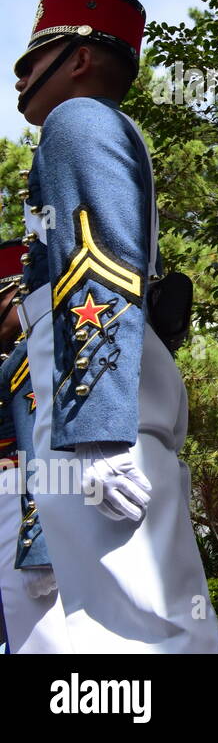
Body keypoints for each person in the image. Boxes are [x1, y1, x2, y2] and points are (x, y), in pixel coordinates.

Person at [11, 0, 218, 651]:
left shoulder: (75, 120)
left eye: (33, 53)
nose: (17, 70)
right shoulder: (79, 124)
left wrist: (99, 430)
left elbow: (97, 261)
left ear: (76, 61)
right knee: (116, 631)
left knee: (145, 627)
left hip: (95, 403)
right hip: (88, 389)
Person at [0, 240, 70, 652]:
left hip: (19, 507)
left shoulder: (30, 359)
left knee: (41, 640)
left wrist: (38, 540)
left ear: (17, 297)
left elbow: (36, 454)